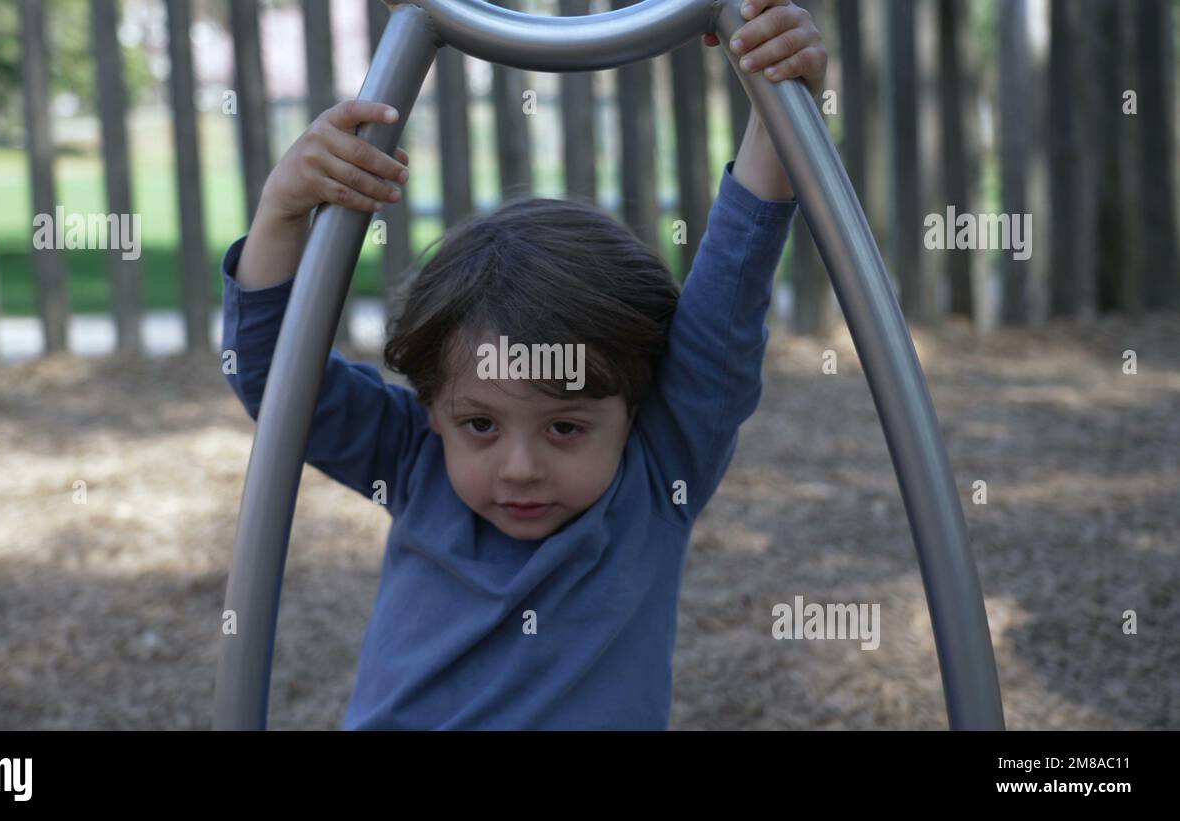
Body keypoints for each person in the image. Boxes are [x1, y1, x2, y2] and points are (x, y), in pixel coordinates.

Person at [222, 0, 827, 729]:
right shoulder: (416, 460)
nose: (518, 467)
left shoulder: (657, 475)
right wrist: (282, 211)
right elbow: (274, 377)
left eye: (565, 427)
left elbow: (732, 284)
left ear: (634, 409)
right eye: (479, 422)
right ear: (434, 407)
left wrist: (776, 99)